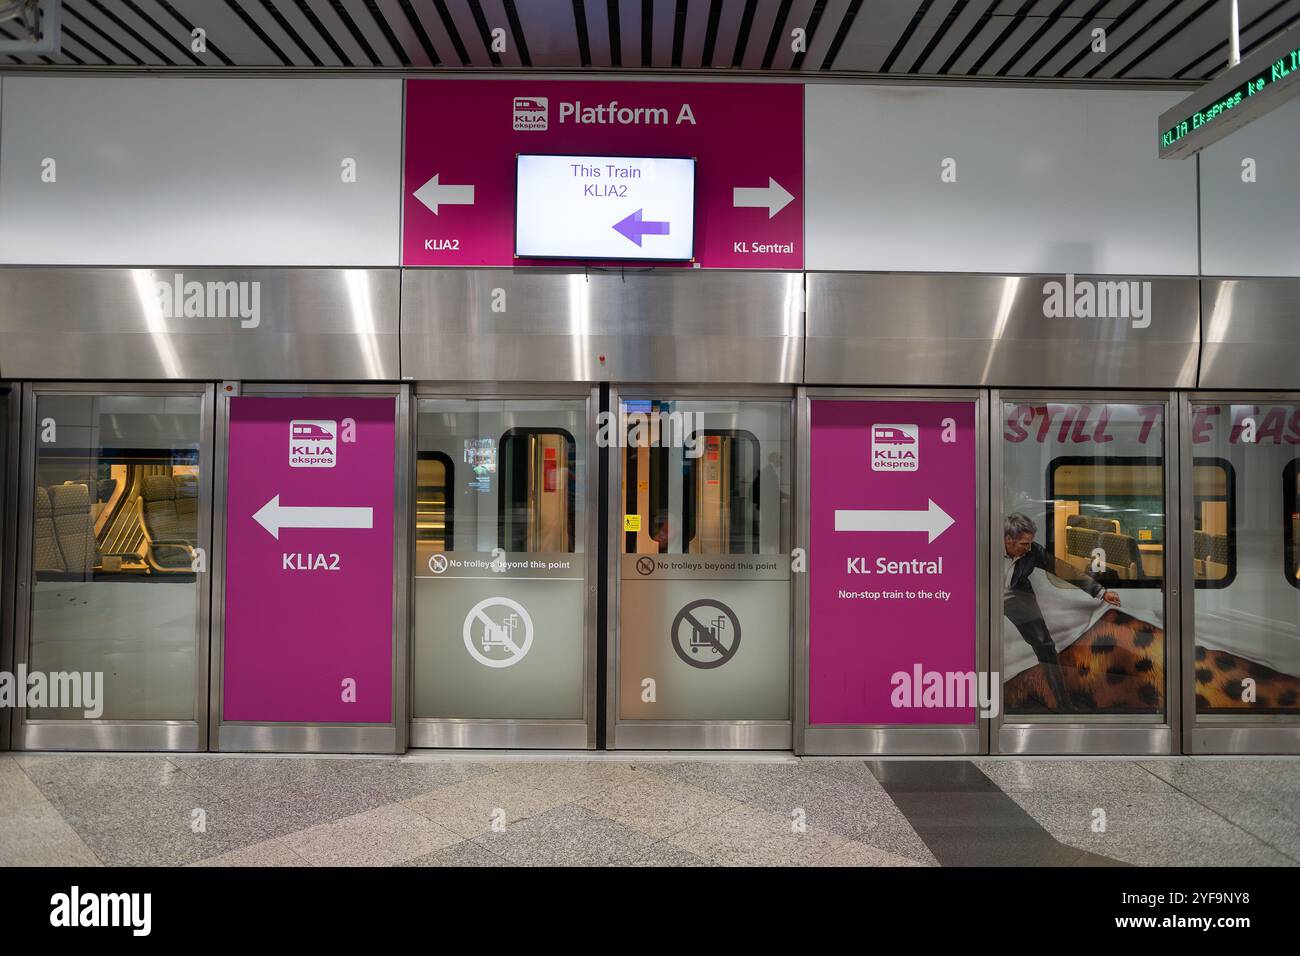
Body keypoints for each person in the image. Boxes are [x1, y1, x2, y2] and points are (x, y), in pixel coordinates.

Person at [1003, 512, 1121, 711]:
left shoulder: (1032, 552)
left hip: (1016, 596)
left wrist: (1100, 592)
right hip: (983, 597)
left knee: (1045, 644)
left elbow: (1064, 570)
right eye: (1024, 543)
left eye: (1030, 543)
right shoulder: (983, 547)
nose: (1028, 548)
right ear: (1007, 539)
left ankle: (1063, 704)